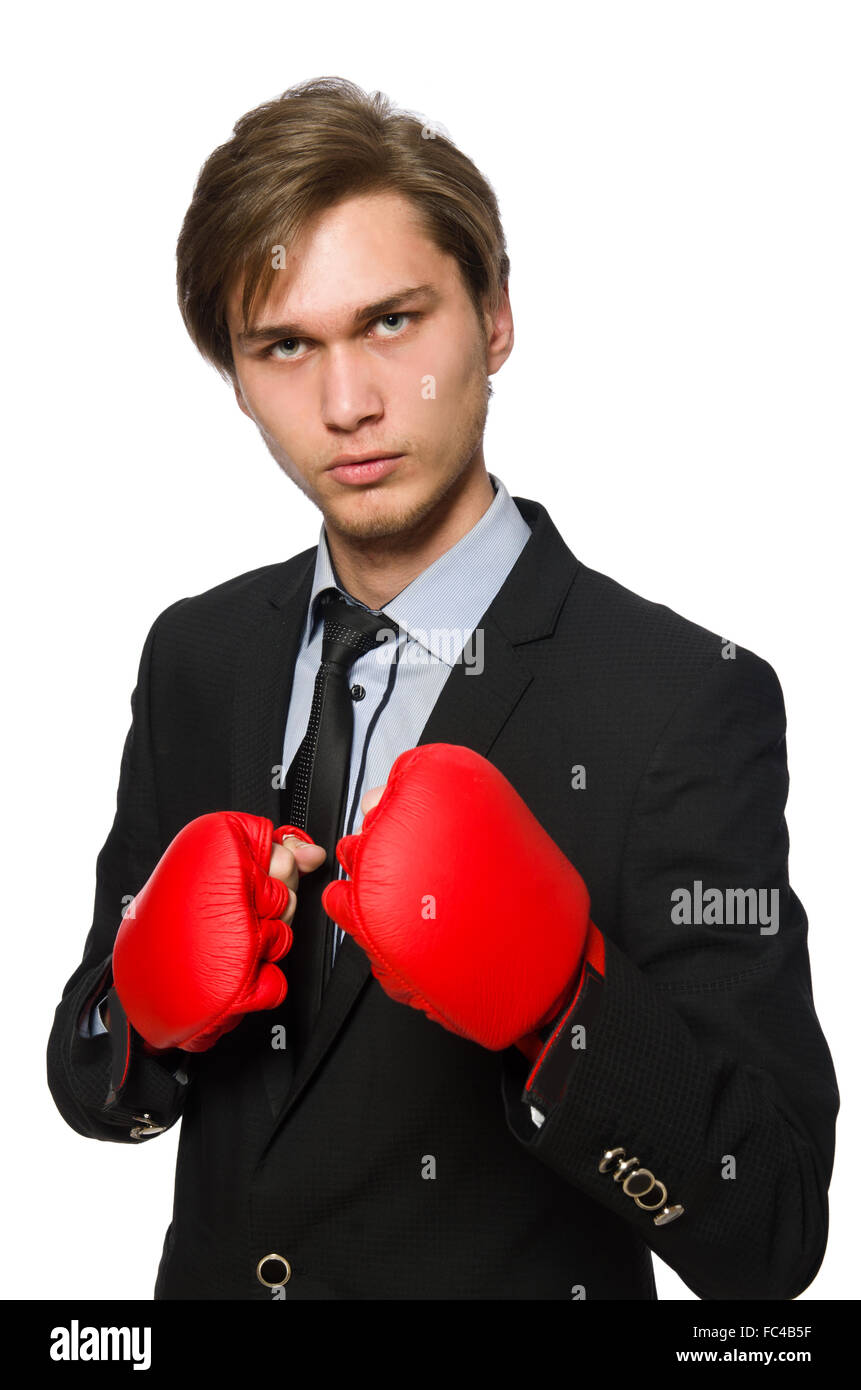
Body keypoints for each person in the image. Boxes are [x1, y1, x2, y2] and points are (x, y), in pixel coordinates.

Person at [46, 75, 838, 1301]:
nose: (350, 402)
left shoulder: (679, 699)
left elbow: (772, 1230)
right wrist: (142, 1017)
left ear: (496, 317)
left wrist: (564, 1007)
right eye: (288, 345)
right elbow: (88, 1074)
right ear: (236, 376)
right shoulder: (196, 656)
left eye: (394, 322)